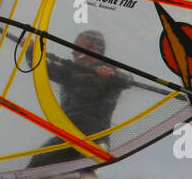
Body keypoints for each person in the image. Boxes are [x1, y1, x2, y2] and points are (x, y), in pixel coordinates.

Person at [26, 30, 132, 168]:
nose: (72, 52)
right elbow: (40, 67)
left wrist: (112, 75)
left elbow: (128, 80)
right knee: (38, 160)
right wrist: (30, 50)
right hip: (68, 136)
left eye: (76, 47)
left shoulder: (112, 70)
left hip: (95, 138)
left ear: (93, 49)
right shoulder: (69, 72)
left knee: (87, 165)